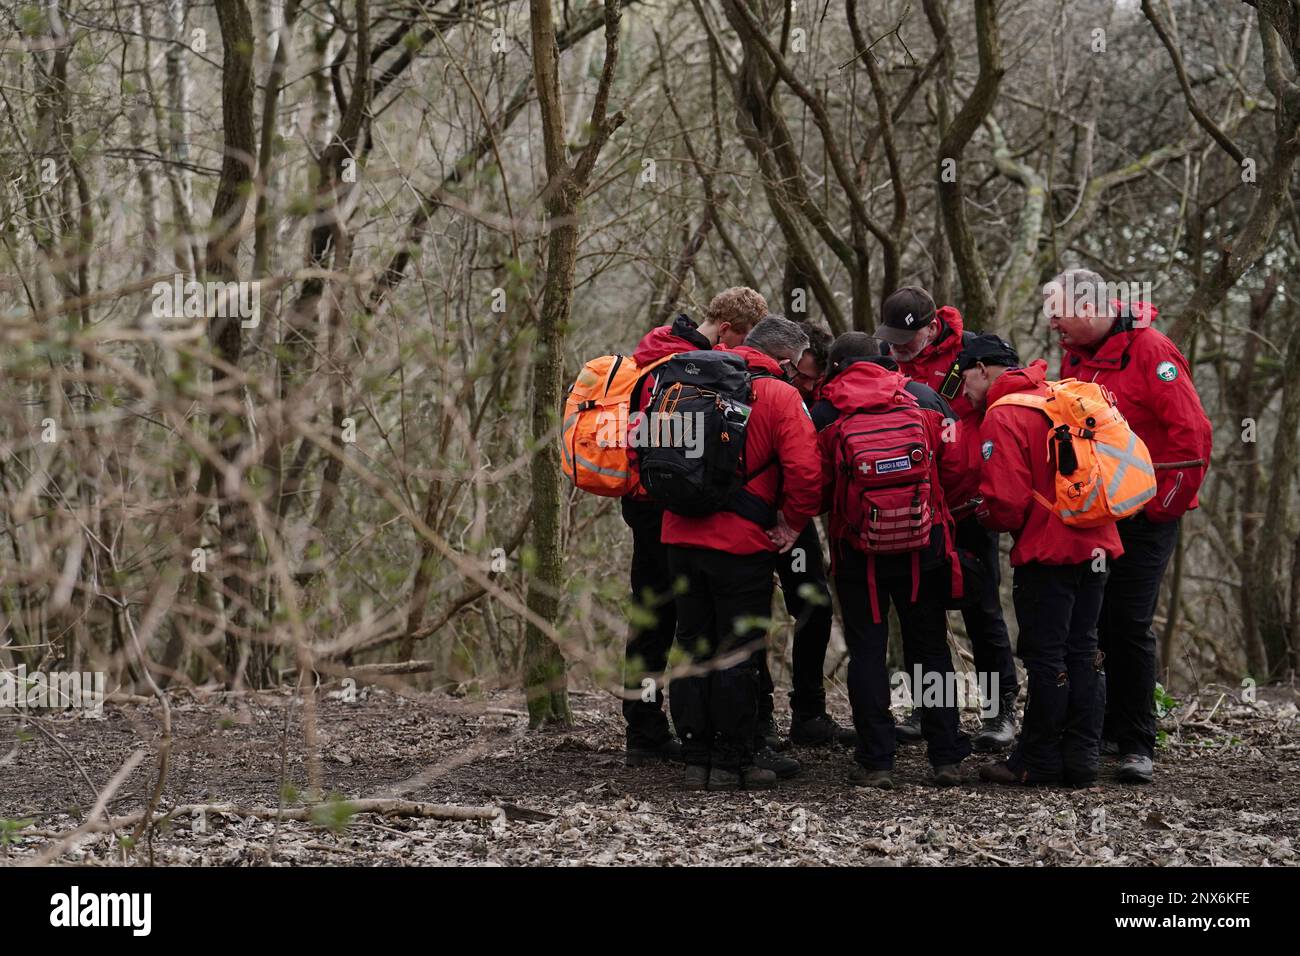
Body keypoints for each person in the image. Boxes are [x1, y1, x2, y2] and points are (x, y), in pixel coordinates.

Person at [1048, 269, 1213, 783]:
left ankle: (1139, 742)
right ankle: (1099, 730)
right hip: (1097, 512)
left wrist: (1160, 506)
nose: (1052, 320)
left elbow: (1194, 437)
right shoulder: (1076, 354)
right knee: (1091, 624)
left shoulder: (1152, 351)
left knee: (1130, 625)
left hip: (1145, 513)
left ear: (1090, 307)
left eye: (1059, 310)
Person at [661, 316, 823, 790]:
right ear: (786, 361)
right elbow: (807, 472)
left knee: (691, 644)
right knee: (737, 649)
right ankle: (733, 759)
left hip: (679, 537)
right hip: (742, 544)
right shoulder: (778, 394)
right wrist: (791, 522)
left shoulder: (681, 380)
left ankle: (695, 756)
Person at [959, 334, 1122, 787]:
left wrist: (980, 512)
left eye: (964, 375)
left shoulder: (1003, 413)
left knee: (1048, 657)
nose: (962, 388)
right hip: (1096, 543)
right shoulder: (1060, 395)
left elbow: (1006, 505)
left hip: (1048, 551)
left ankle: (1037, 760)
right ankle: (1082, 757)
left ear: (984, 369)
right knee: (1085, 649)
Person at [814, 331, 975, 788]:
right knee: (929, 648)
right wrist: (935, 507)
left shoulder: (826, 412)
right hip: (924, 546)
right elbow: (959, 465)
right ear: (883, 359)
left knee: (867, 650)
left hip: (857, 553)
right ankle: (945, 756)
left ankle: (877, 760)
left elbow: (813, 481)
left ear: (836, 367)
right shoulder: (924, 398)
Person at [620, 289, 771, 768]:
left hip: (642, 497)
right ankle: (710, 736)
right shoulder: (700, 367)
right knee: (691, 622)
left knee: (650, 617)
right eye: (743, 338)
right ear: (726, 328)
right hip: (680, 508)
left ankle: (643, 727)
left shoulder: (650, 355)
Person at [874, 287, 1020, 751]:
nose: (898, 347)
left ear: (932, 326)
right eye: (892, 339)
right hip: (914, 509)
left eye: (907, 338)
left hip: (969, 508)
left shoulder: (976, 356)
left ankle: (999, 714)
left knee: (982, 611)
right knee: (920, 613)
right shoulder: (887, 362)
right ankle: (930, 710)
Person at [754, 321, 853, 748]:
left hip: (793, 517)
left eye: (815, 378)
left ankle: (808, 712)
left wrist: (795, 520)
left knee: (814, 604)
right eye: (802, 374)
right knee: (749, 611)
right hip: (753, 514)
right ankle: (756, 717)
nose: (806, 383)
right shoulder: (759, 385)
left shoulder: (818, 400)